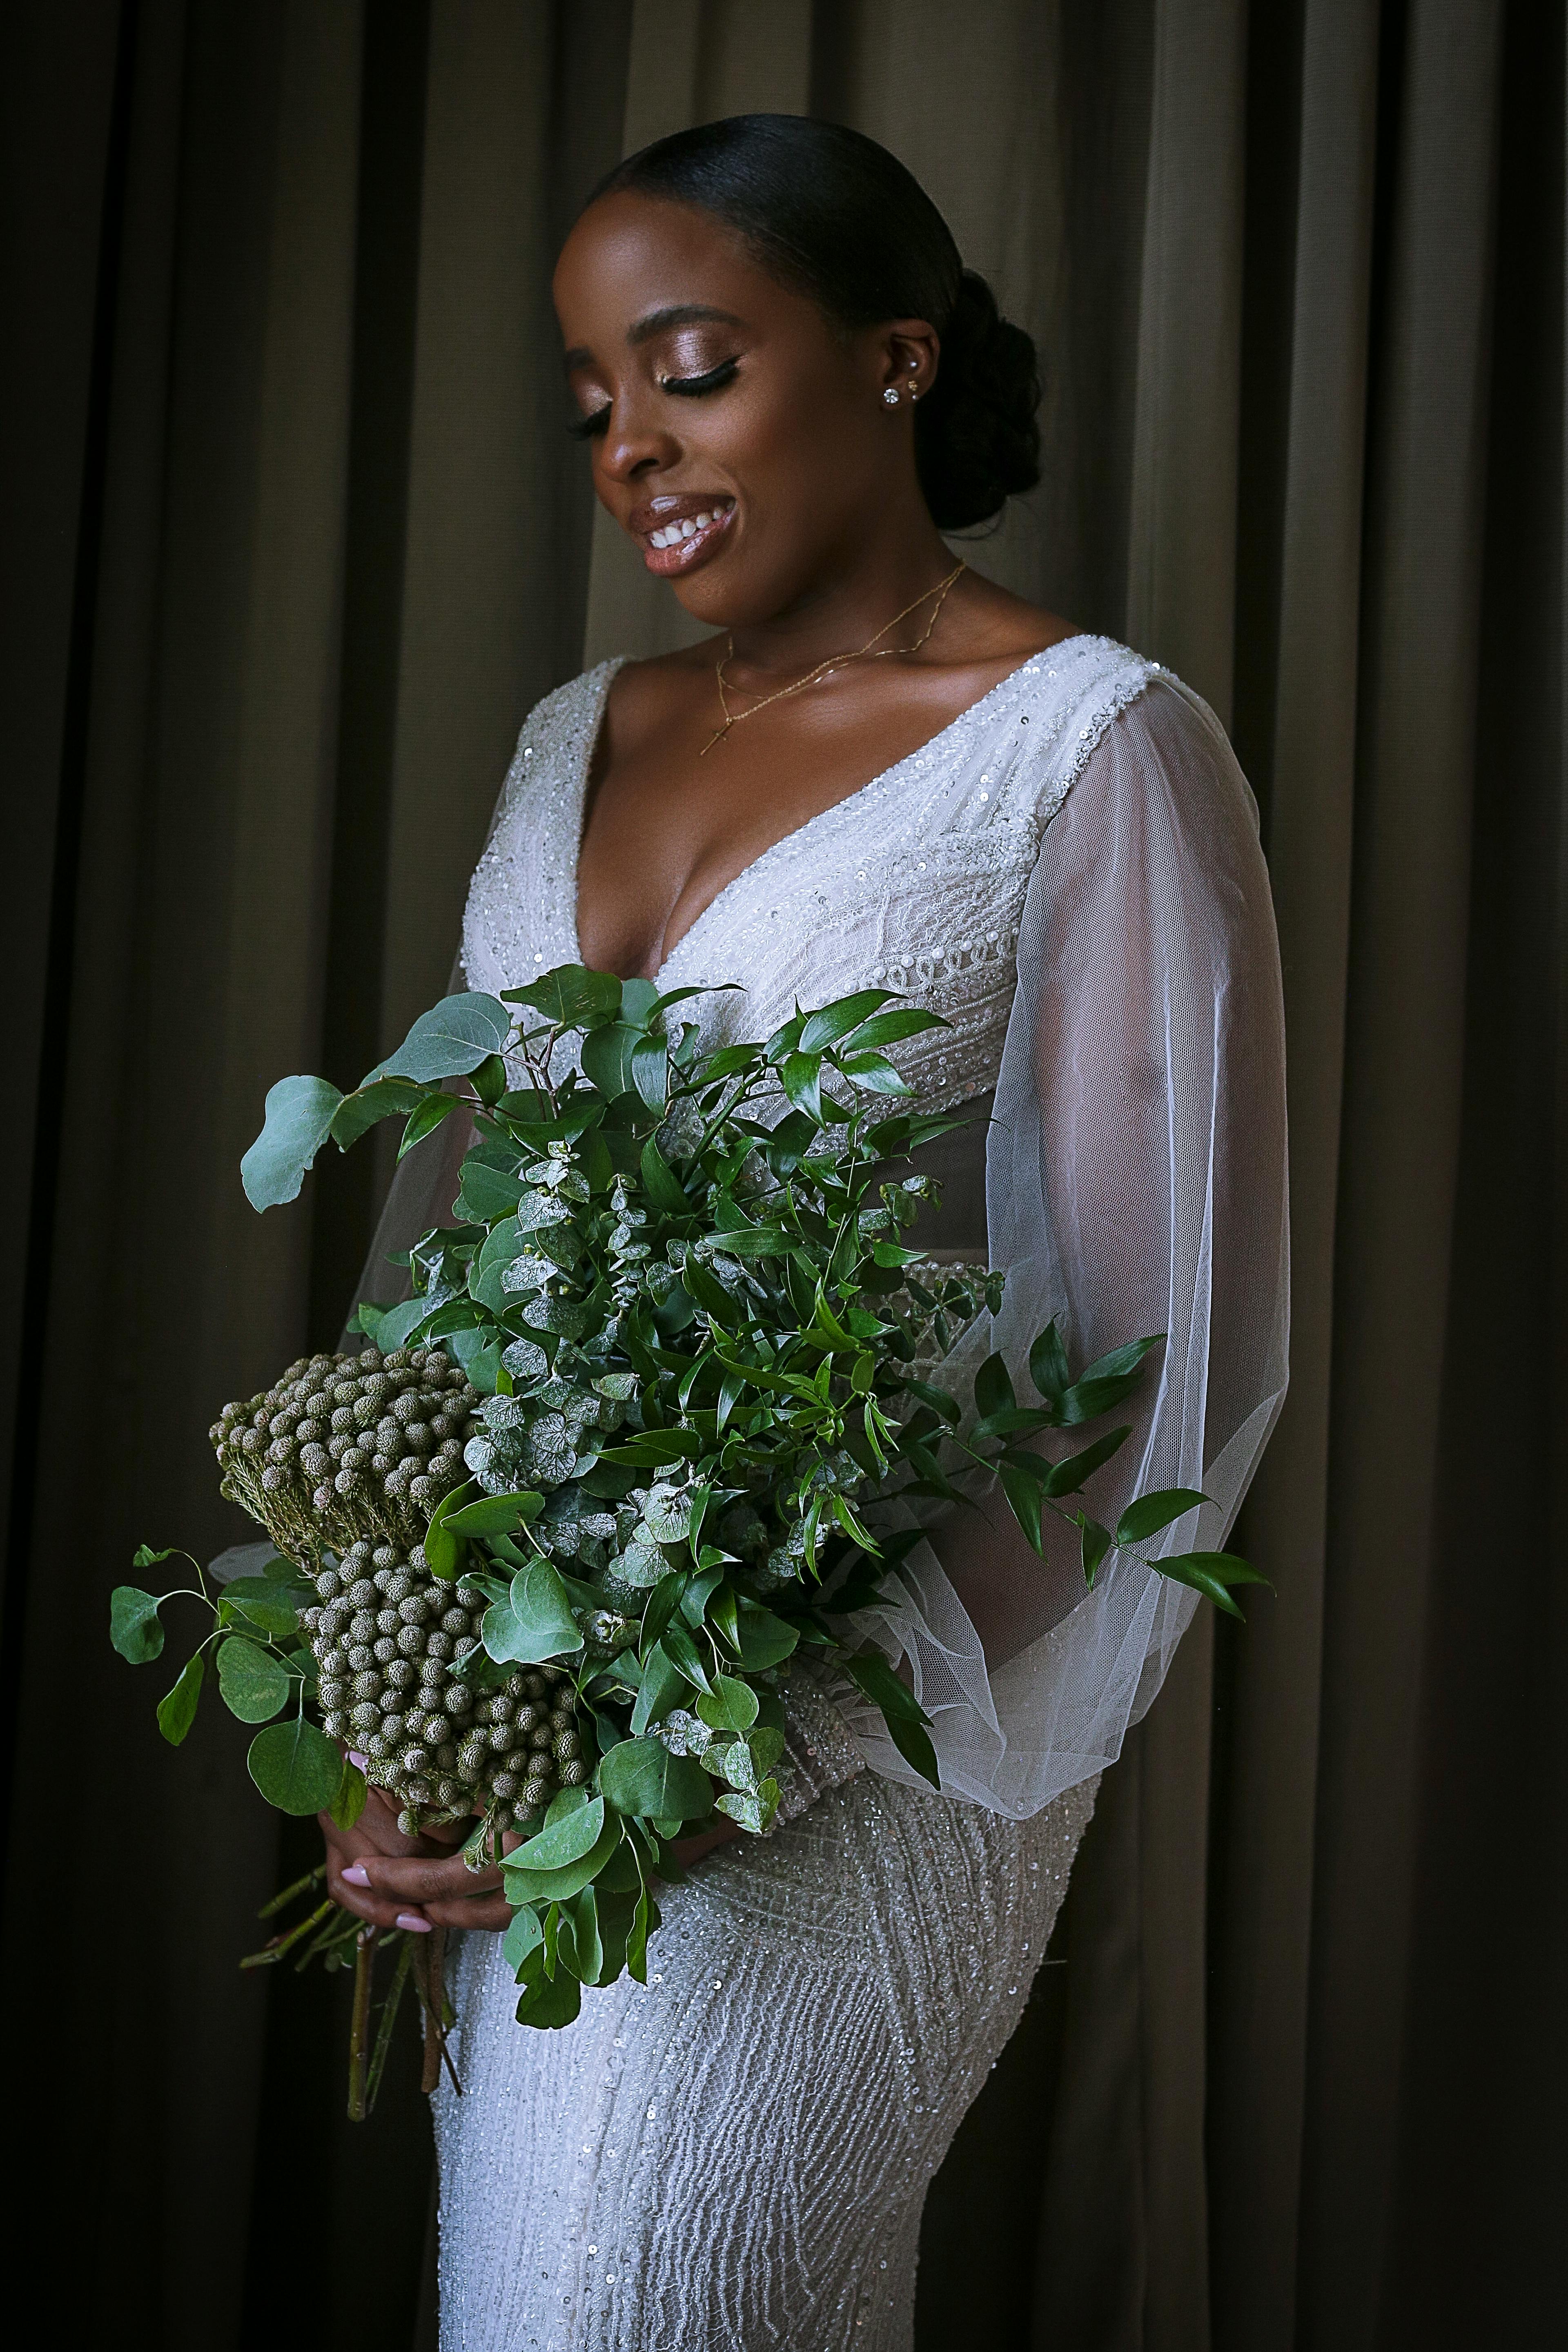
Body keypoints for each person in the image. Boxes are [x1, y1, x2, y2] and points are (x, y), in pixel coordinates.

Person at [320, 114, 1288, 2352]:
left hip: (866, 1727)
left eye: (690, 370)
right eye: (592, 403)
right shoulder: (579, 735)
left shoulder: (1093, 746)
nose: (630, 449)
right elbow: (476, 1237)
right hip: (537, 1695)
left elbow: (1143, 1362)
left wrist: (750, 1742)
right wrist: (412, 1683)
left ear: (895, 360)